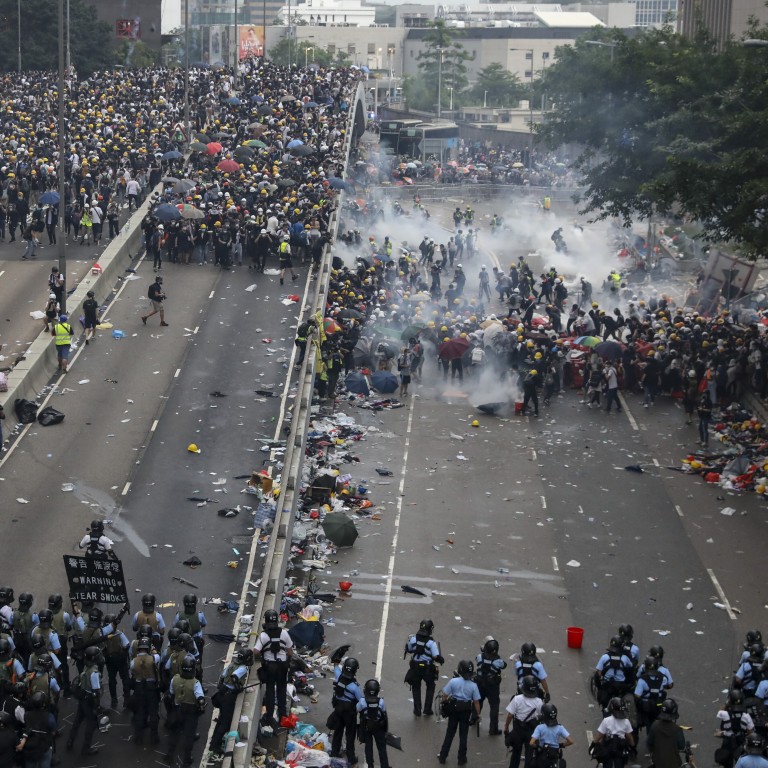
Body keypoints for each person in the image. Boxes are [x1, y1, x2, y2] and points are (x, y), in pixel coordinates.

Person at [208, 647, 252, 757]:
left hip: (222, 693)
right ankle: (215, 745)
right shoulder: (243, 668)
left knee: (221, 719)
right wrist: (238, 687)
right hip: (229, 696)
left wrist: (221, 686)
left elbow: (223, 676)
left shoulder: (232, 664)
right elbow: (235, 676)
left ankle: (214, 742)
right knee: (226, 723)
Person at [437, 660, 481, 766]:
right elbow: (476, 702)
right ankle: (461, 758)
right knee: (463, 735)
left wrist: (443, 703)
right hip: (465, 711)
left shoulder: (454, 681)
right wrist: (478, 715)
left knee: (450, 733)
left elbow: (444, 695)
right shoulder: (473, 686)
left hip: (454, 709)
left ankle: (443, 756)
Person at [254, 609, 293, 728]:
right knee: (281, 691)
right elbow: (290, 652)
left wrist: (261, 656)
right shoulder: (284, 633)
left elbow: (255, 651)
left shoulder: (263, 635)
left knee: (270, 691)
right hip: (282, 667)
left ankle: (269, 716)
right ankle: (283, 716)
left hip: (269, 667)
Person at [166, 655, 205, 767]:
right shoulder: (195, 683)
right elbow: (200, 698)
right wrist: (201, 707)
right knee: (189, 735)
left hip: (178, 710)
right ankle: (186, 759)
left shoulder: (175, 679)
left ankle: (169, 755)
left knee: (174, 733)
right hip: (191, 713)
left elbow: (171, 693)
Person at [66, 645, 104, 756]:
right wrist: (97, 706)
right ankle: (86, 748)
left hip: (83, 697)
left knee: (78, 720)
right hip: (89, 700)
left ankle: (70, 740)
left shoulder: (86, 667)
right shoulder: (94, 672)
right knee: (91, 724)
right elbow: (96, 690)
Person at [405, 618, 444, 717]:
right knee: (430, 687)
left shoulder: (413, 639)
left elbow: (409, 649)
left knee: (416, 687)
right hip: (428, 669)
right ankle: (427, 709)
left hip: (415, 668)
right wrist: (441, 659)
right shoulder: (431, 643)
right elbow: (435, 656)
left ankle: (417, 709)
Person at [505, 676, 544, 768]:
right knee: (529, 754)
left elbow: (510, 715)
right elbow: (540, 716)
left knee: (516, 752)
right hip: (531, 730)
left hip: (518, 729)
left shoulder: (517, 699)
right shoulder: (539, 702)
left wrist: (506, 726)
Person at [330, 657, 363, 763]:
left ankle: (334, 752)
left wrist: (336, 661)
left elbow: (335, 667)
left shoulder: (338, 676)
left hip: (338, 710)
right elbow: (361, 701)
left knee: (338, 731)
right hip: (349, 713)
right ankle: (351, 758)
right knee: (350, 735)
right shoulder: (355, 686)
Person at [129, 635, 160, 745]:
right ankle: (154, 736)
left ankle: (138, 737)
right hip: (151, 688)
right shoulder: (154, 658)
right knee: (153, 712)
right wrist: (154, 650)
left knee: (139, 712)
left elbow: (132, 671)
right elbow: (157, 657)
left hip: (139, 688)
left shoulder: (134, 661)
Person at [475, 636, 507, 735]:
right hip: (492, 686)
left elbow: (477, 659)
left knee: (478, 701)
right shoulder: (498, 661)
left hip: (480, 683)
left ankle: (473, 718)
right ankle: (493, 729)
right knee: (494, 707)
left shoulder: (480, 657)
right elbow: (504, 665)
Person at [591, 697, 635, 768]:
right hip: (620, 750)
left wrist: (592, 745)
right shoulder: (626, 722)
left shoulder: (606, 720)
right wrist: (633, 748)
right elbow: (630, 737)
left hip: (607, 750)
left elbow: (599, 735)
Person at [17, 690, 56, 767]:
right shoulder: (49, 716)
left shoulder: (27, 715)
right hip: (44, 748)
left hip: (30, 749)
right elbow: (53, 731)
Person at [357, 679, 390, 768]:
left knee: (368, 747)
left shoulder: (362, 701)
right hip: (379, 727)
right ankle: (385, 766)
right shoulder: (381, 701)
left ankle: (370, 765)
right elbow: (384, 712)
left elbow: (358, 709)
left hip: (367, 727)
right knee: (382, 748)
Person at [530, 703, 574, 768]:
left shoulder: (540, 727)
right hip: (554, 755)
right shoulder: (560, 728)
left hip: (542, 755)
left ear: (544, 715)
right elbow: (571, 741)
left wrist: (537, 747)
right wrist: (561, 745)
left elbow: (531, 743)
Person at [647, 699, 687, 768]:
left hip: (658, 763)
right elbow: (681, 746)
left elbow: (650, 742)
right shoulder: (677, 729)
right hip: (674, 764)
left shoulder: (654, 725)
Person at [594, 636, 634, 707]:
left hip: (607, 685)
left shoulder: (604, 657)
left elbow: (599, 671)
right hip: (620, 686)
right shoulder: (625, 658)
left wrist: (601, 681)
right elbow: (631, 666)